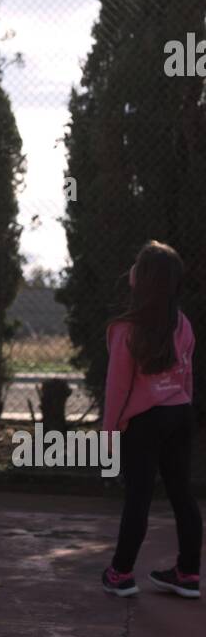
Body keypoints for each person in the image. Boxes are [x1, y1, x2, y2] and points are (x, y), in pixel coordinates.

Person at [102, 240, 201, 600]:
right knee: (182, 494)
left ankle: (121, 574)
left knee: (139, 497)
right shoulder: (183, 324)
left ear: (140, 280)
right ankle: (189, 573)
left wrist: (108, 434)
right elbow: (187, 377)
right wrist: (182, 403)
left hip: (143, 423)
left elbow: (117, 389)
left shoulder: (124, 329)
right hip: (180, 414)